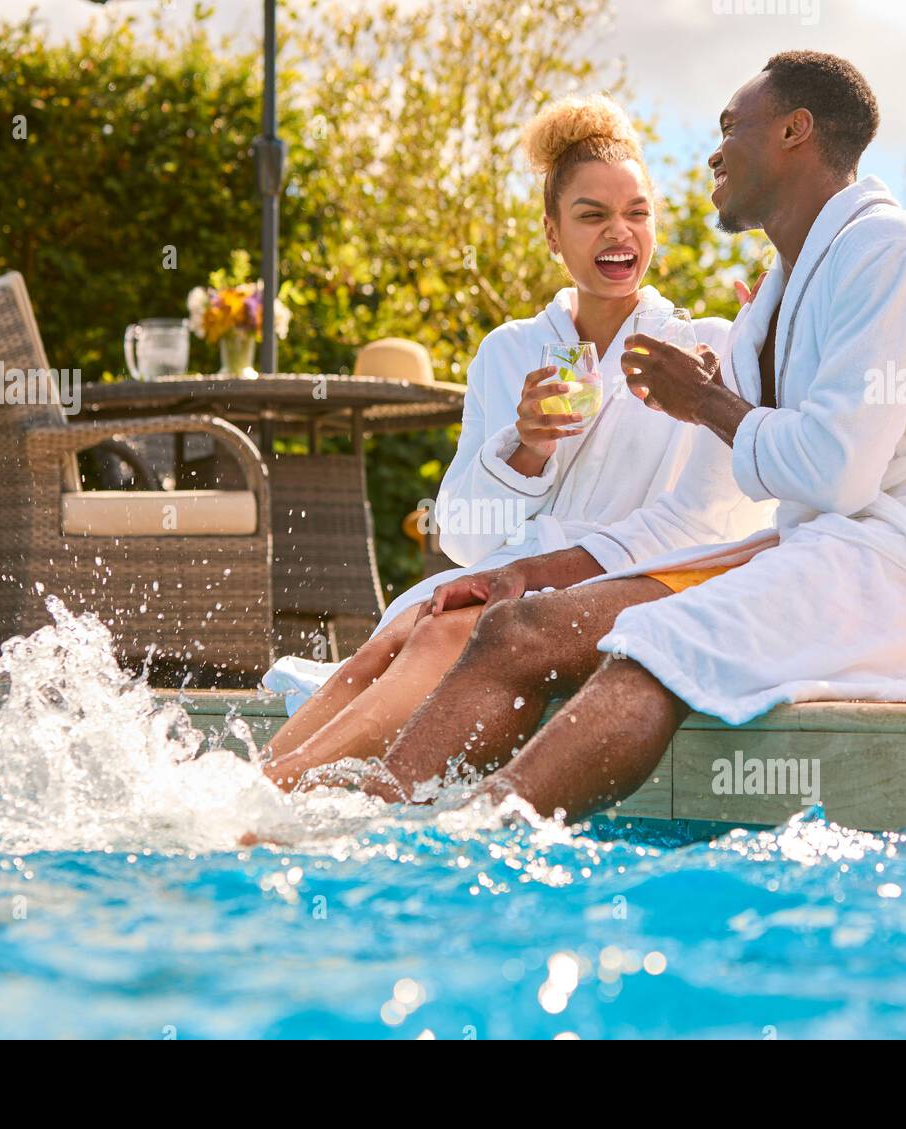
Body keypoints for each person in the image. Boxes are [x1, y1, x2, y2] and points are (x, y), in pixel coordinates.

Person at [351, 50, 906, 820]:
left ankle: (472, 839)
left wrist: (704, 400)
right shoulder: (780, 291)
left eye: (733, 127)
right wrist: (532, 565)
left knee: (649, 652)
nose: (713, 151)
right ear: (553, 234)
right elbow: (728, 495)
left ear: (795, 131)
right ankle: (372, 818)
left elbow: (836, 474)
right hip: (811, 553)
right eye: (592, 214)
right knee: (517, 629)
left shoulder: (894, 252)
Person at [260, 94, 773, 789]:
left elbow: (734, 506)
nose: (619, 233)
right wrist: (523, 447)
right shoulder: (510, 352)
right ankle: (256, 783)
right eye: (591, 215)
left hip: (612, 582)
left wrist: (768, 333)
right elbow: (464, 538)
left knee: (442, 632)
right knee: (380, 648)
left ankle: (285, 794)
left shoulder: (703, 345)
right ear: (553, 234)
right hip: (500, 571)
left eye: (637, 212)